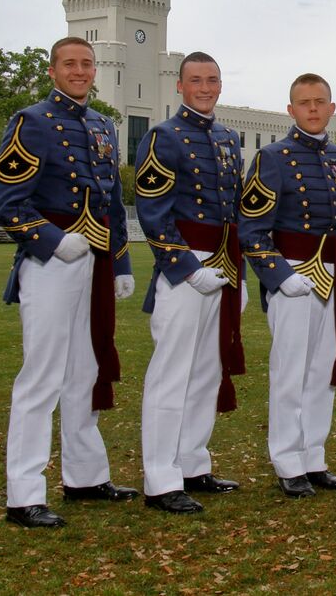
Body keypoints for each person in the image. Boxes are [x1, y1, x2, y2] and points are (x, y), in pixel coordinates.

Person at [0, 36, 138, 528]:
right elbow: (6, 202)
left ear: (96, 71)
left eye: (86, 64)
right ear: (52, 71)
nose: (79, 71)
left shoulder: (101, 126)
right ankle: (24, 493)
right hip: (51, 264)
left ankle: (86, 476)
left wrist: (118, 265)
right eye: (69, 64)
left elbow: (112, 205)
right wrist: (52, 240)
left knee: (84, 372)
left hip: (93, 264)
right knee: (41, 377)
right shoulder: (31, 121)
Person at [239, 73, 336, 497]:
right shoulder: (272, 157)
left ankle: (313, 456)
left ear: (332, 108)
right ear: (290, 110)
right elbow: (251, 229)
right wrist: (280, 277)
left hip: (335, 274)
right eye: (304, 102)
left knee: (323, 371)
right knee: (289, 371)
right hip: (293, 272)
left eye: (320, 101)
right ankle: (287, 460)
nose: (313, 109)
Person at [134, 51, 245, 514]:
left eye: (212, 80)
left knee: (206, 370)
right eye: (196, 80)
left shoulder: (227, 137)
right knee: (171, 373)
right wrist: (185, 266)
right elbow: (152, 210)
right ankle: (160, 479)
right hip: (186, 266)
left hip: (225, 263)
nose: (205, 87)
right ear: (179, 85)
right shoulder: (163, 136)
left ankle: (192, 464)